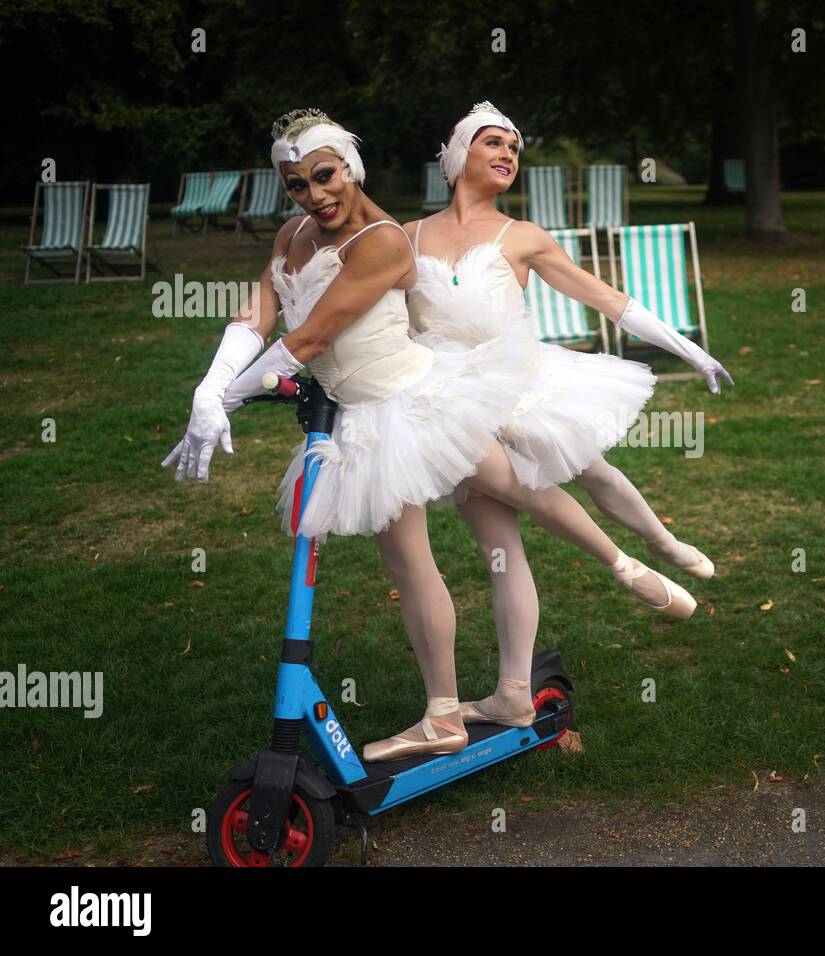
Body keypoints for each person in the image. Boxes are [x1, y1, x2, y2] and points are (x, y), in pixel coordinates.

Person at [162, 109, 696, 761]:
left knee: (520, 484)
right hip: (359, 421)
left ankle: (624, 562)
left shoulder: (385, 240)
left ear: (349, 167)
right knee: (410, 563)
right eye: (298, 185)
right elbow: (257, 318)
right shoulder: (295, 236)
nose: (316, 194)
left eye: (324, 175)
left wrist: (225, 397)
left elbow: (308, 339)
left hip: (423, 399)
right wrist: (208, 389)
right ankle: (442, 714)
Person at [405, 101, 734, 728]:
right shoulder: (407, 237)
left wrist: (690, 350)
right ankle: (510, 690)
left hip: (522, 379)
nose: (508, 155)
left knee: (589, 466)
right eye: (494, 143)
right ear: (456, 153)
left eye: (515, 148)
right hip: (449, 407)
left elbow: (606, 298)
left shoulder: (522, 236)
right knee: (499, 548)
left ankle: (657, 541)